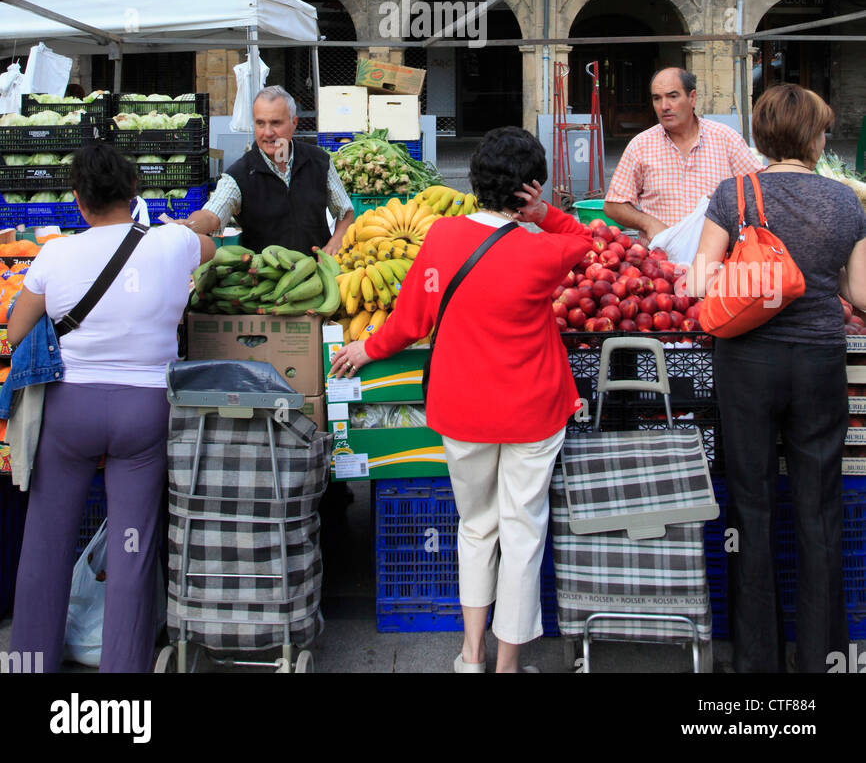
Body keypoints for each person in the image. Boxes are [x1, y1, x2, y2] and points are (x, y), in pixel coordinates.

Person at [329, 126, 592, 674]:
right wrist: (542, 212)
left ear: (474, 182)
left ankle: (471, 655)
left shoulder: (444, 238)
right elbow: (584, 242)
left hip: (462, 409)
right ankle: (508, 666)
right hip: (533, 409)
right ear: (531, 186)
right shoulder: (544, 250)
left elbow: (410, 321)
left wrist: (365, 348)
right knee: (522, 533)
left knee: (475, 527)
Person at [7, 140, 215, 673]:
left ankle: (32, 665)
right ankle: (123, 677)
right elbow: (209, 244)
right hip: (143, 416)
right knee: (131, 547)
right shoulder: (171, 243)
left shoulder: (54, 254)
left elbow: (16, 329)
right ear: (133, 191)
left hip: (71, 413)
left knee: (47, 544)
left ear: (77, 199)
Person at [690, 84, 866, 674]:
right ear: (814, 137)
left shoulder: (734, 193)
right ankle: (825, 659)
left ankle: (754, 663)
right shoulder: (846, 203)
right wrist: (819, 281)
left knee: (752, 504)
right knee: (819, 509)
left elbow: (698, 282)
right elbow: (860, 294)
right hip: (819, 362)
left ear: (764, 136)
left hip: (747, 363)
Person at [184, 85, 354, 256]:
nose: (267, 132)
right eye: (260, 123)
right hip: (264, 276)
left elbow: (345, 211)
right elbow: (212, 215)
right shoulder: (239, 174)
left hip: (317, 272)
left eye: (275, 123)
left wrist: (337, 240)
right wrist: (188, 226)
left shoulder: (318, 161)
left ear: (293, 123)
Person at [604, 66, 763, 241]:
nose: (664, 106)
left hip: (718, 257)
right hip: (659, 261)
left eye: (673, 96)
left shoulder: (726, 139)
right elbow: (613, 205)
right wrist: (648, 223)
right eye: (657, 98)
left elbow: (760, 190)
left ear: (692, 98)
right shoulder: (641, 145)